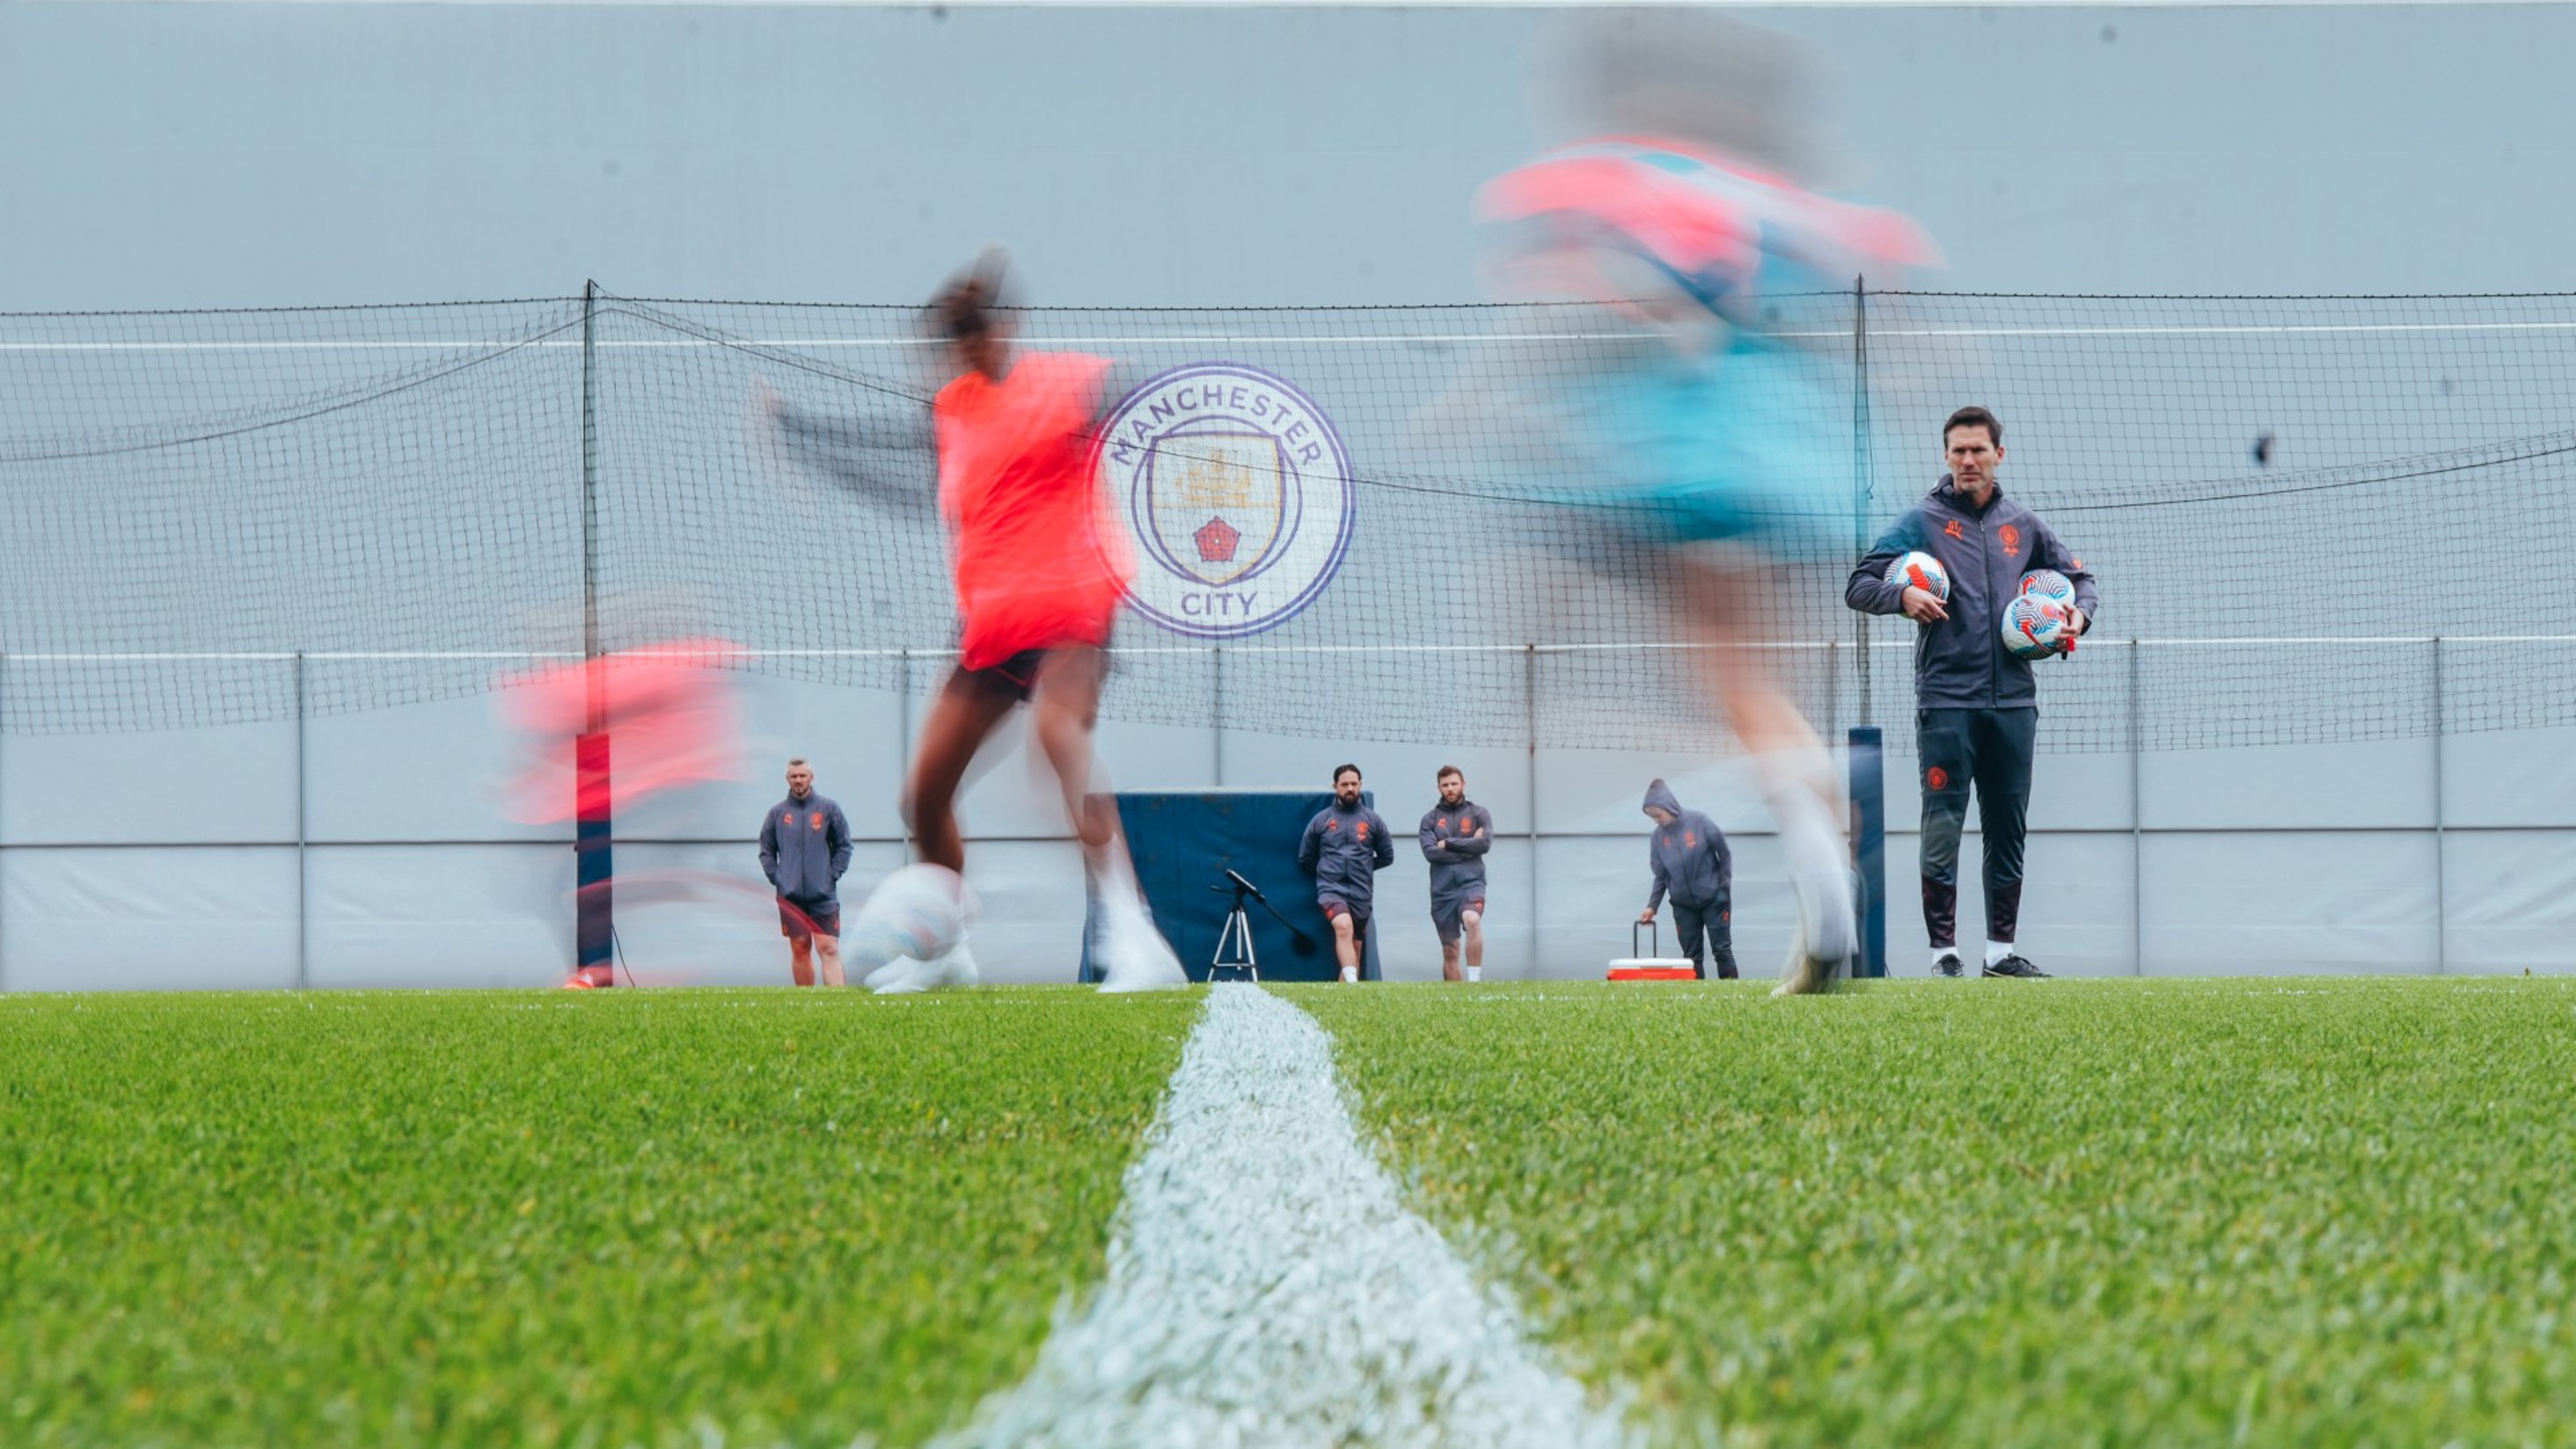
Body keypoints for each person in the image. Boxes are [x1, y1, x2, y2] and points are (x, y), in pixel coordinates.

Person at [1460, 12, 1937, 994]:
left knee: (1697, 655)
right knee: (1754, 686)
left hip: (1682, 446)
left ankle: (1573, 698)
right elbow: (1878, 271)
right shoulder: (1777, 194)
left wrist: (1490, 389)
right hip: (1788, 452)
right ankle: (1822, 872)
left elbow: (1581, 274)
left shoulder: (1614, 173)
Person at [834, 250, 1188, 995]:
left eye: (978, 334)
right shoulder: (952, 408)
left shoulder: (1066, 384)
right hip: (995, 629)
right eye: (955, 342)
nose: (968, 351)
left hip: (1074, 606)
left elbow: (1142, 403)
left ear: (1006, 329)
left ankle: (1133, 931)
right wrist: (801, 436)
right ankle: (945, 955)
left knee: (1055, 740)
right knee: (923, 794)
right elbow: (904, 472)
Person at [1846, 406, 2100, 979]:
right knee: (1943, 822)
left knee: (2008, 824)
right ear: (1946, 455)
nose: (1967, 460)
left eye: (1977, 450)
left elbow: (2082, 581)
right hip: (1947, 701)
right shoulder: (1922, 521)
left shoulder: (2024, 525)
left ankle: (1999, 953)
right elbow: (1859, 583)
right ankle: (1944, 955)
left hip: (2013, 703)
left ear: (1998, 455)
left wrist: (2076, 618)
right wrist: (1900, 597)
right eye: (1957, 450)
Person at [758, 757, 853, 986]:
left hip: (823, 895)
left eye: (802, 775)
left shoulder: (829, 809)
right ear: (788, 779)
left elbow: (844, 846)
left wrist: (832, 876)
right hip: (790, 897)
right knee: (800, 949)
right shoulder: (777, 814)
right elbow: (766, 852)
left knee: (828, 947)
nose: (798, 780)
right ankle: (806, 1003)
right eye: (794, 776)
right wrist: (779, 879)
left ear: (811, 777)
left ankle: (837, 1004)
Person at [1299, 764, 1394, 984]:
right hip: (1331, 889)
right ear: (1335, 786)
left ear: (1360, 785)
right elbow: (1305, 858)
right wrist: (1328, 871)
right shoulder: (1321, 820)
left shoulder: (1373, 820)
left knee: (1356, 947)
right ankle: (1353, 982)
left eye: (1354, 784)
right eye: (1345, 784)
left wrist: (1362, 867)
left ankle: (1346, 995)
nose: (1350, 788)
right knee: (1343, 926)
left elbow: (1387, 856)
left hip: (1361, 891)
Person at [1637, 779, 1737, 980]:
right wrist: (1652, 906)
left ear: (1669, 807)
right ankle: (1697, 1001)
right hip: (1683, 906)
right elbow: (1661, 876)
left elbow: (1724, 853)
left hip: (1714, 900)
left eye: (1658, 815)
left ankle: (1733, 996)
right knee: (1691, 957)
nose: (1656, 820)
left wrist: (1723, 888)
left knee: (1722, 950)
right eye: (1652, 817)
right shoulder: (1657, 839)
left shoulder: (1699, 822)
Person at [1417, 765, 1493, 983]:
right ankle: (1456, 998)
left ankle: (1474, 982)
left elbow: (1485, 844)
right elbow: (1431, 854)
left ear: (1463, 784)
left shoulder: (1479, 814)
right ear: (1439, 788)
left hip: (1472, 884)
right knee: (1450, 951)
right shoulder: (1429, 820)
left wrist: (1449, 843)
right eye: (1445, 785)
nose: (1450, 789)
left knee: (1472, 920)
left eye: (1454, 784)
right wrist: (1469, 847)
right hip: (1442, 891)